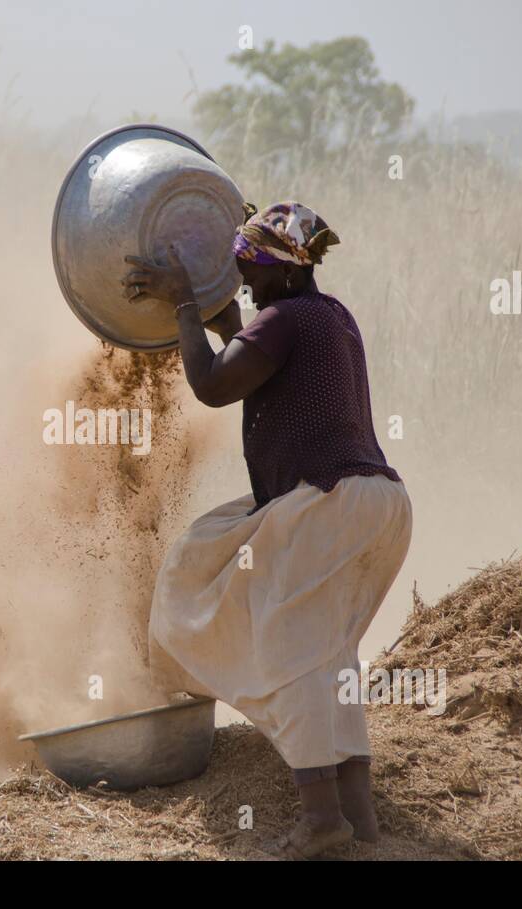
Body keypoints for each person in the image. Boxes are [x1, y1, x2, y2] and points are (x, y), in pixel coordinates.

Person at [120, 201, 412, 859]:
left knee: (291, 648)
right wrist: (228, 325)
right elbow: (256, 358)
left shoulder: (284, 319)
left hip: (330, 501)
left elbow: (214, 385)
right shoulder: (327, 315)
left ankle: (321, 823)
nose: (245, 284)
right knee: (327, 654)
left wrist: (186, 306)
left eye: (251, 270)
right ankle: (360, 825)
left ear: (281, 271)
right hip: (378, 503)